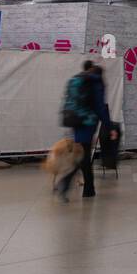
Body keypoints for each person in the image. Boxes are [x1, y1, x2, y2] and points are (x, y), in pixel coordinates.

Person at [56, 60, 100, 200]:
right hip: (86, 123)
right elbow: (97, 106)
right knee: (84, 157)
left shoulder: (75, 79)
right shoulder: (94, 81)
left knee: (82, 155)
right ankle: (66, 183)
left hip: (74, 121)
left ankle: (88, 189)